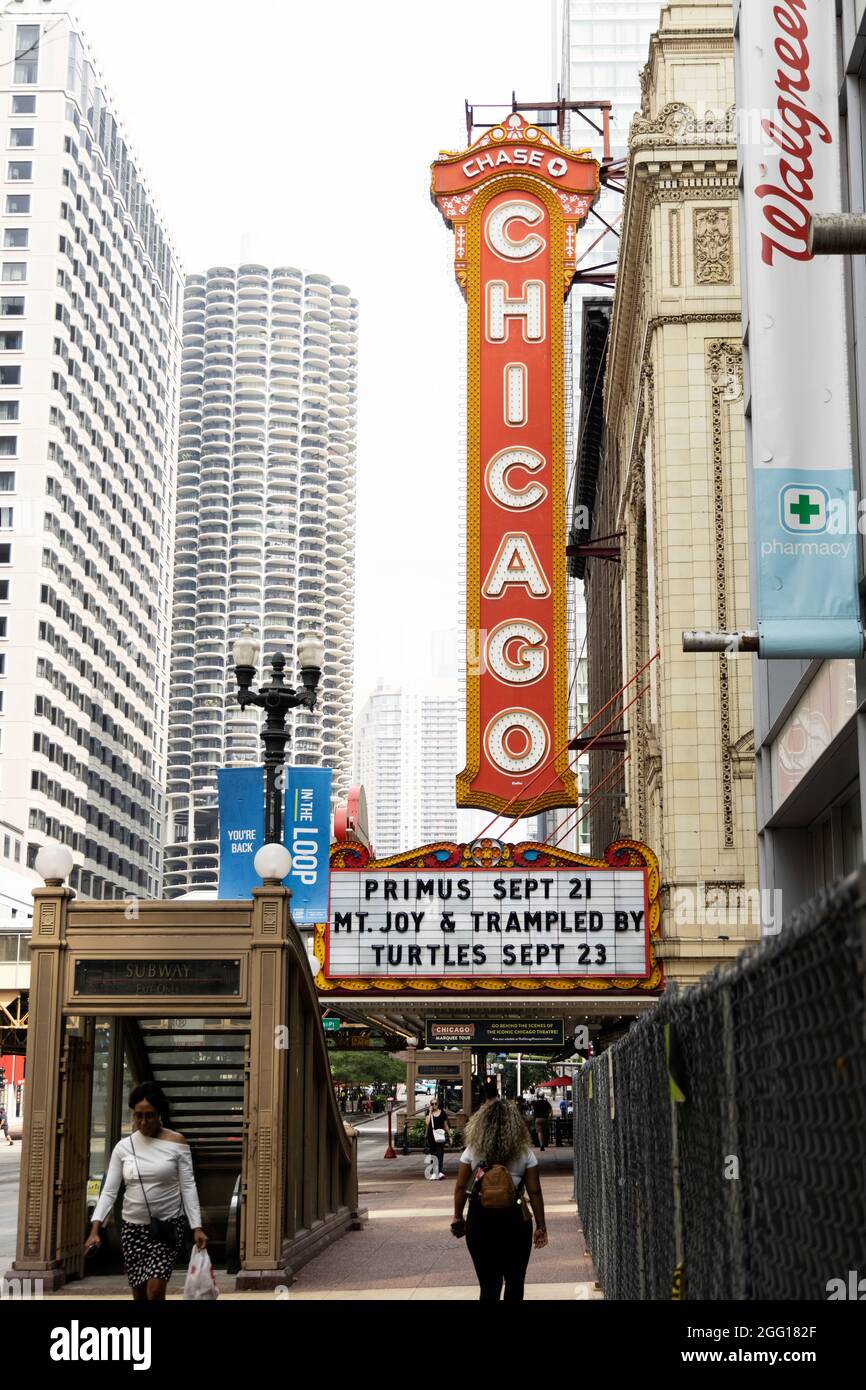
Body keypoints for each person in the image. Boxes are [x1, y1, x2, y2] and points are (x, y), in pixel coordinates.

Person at [85, 1081, 207, 1301]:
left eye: (149, 1115)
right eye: (138, 1116)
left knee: (156, 1291)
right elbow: (110, 1191)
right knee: (140, 1293)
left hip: (167, 1226)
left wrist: (196, 1227)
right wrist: (95, 1229)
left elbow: (188, 1186)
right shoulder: (123, 1147)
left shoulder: (177, 1143)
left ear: (159, 1113)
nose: (143, 1122)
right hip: (132, 1229)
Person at [451, 1098, 548, 1301]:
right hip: (515, 1221)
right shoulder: (525, 1153)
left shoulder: (472, 1151)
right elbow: (535, 1192)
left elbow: (461, 1187)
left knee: (488, 1286)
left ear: (481, 1124)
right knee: (515, 1282)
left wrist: (458, 1217)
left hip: (480, 1220)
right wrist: (541, 1226)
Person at [425, 1098, 451, 1178]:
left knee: (440, 1153)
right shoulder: (429, 1113)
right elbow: (427, 1122)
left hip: (440, 1136)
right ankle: (434, 1171)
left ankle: (439, 1171)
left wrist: (450, 1136)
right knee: (433, 1154)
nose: (434, 1105)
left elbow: (445, 1125)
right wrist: (429, 1111)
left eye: (435, 1103)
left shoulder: (442, 1113)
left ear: (438, 1104)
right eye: (432, 1104)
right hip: (431, 1136)